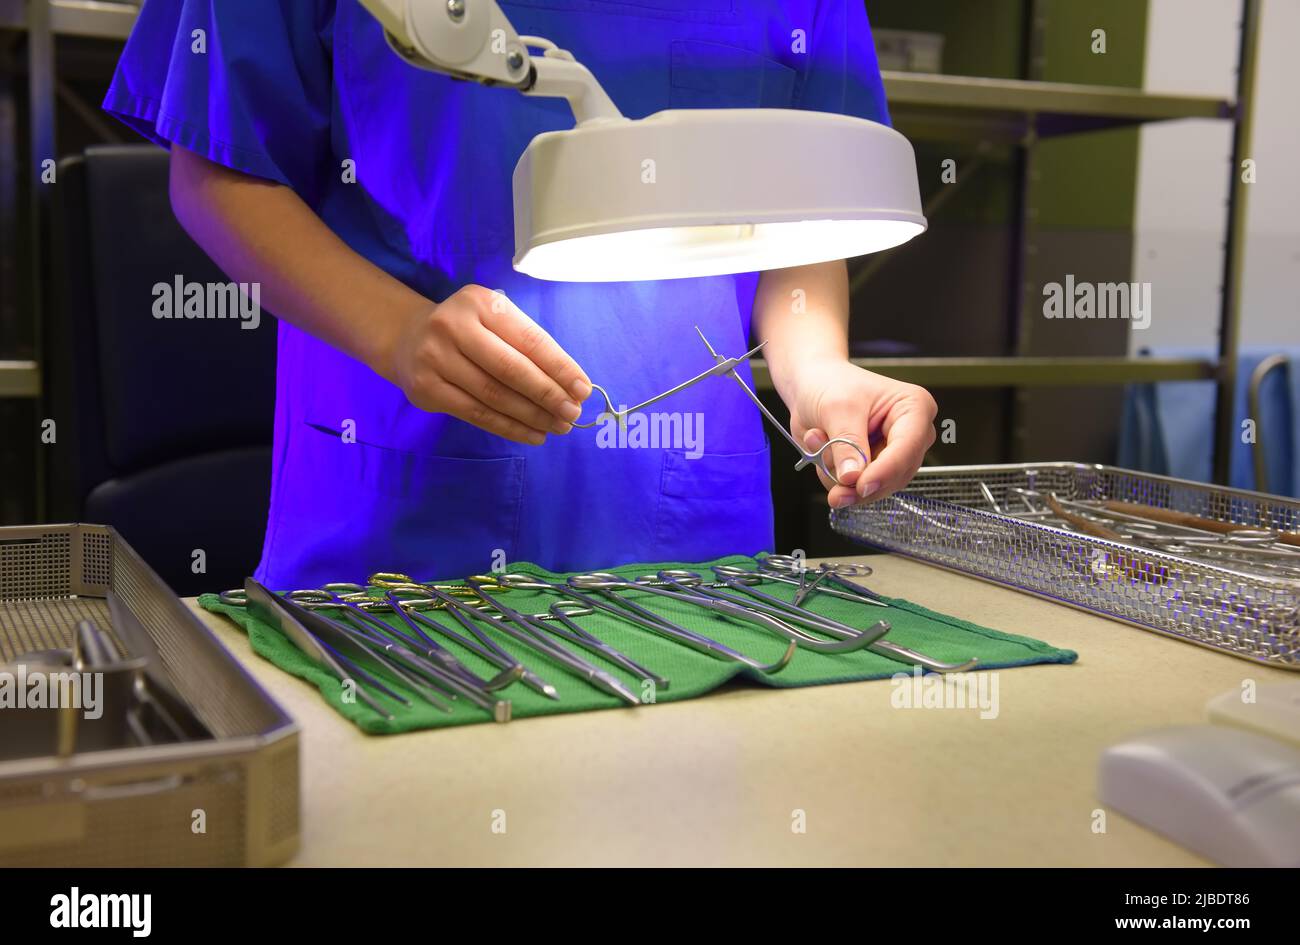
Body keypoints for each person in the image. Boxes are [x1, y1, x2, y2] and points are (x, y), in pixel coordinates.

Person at [104, 0, 937, 588]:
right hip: (405, 530)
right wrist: (400, 333)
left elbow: (800, 207)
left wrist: (819, 370)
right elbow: (217, 174)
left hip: (689, 537)